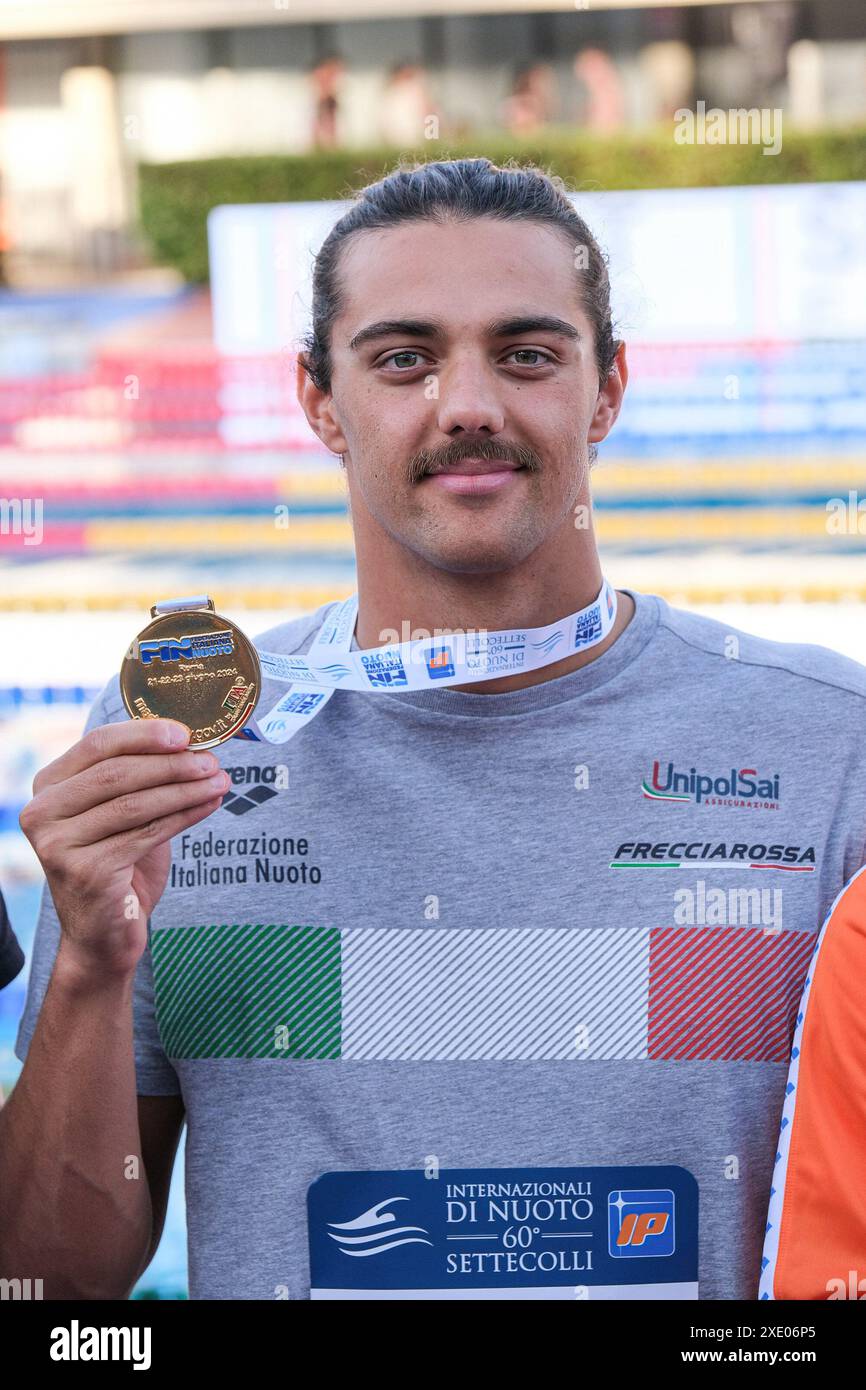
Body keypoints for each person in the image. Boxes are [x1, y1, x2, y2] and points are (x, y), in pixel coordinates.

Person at [3, 157, 866, 1301]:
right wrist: (89, 974)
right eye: (403, 358)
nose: (465, 404)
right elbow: (47, 1292)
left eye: (525, 354)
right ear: (317, 398)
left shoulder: (826, 750)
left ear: (606, 389)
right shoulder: (176, 754)